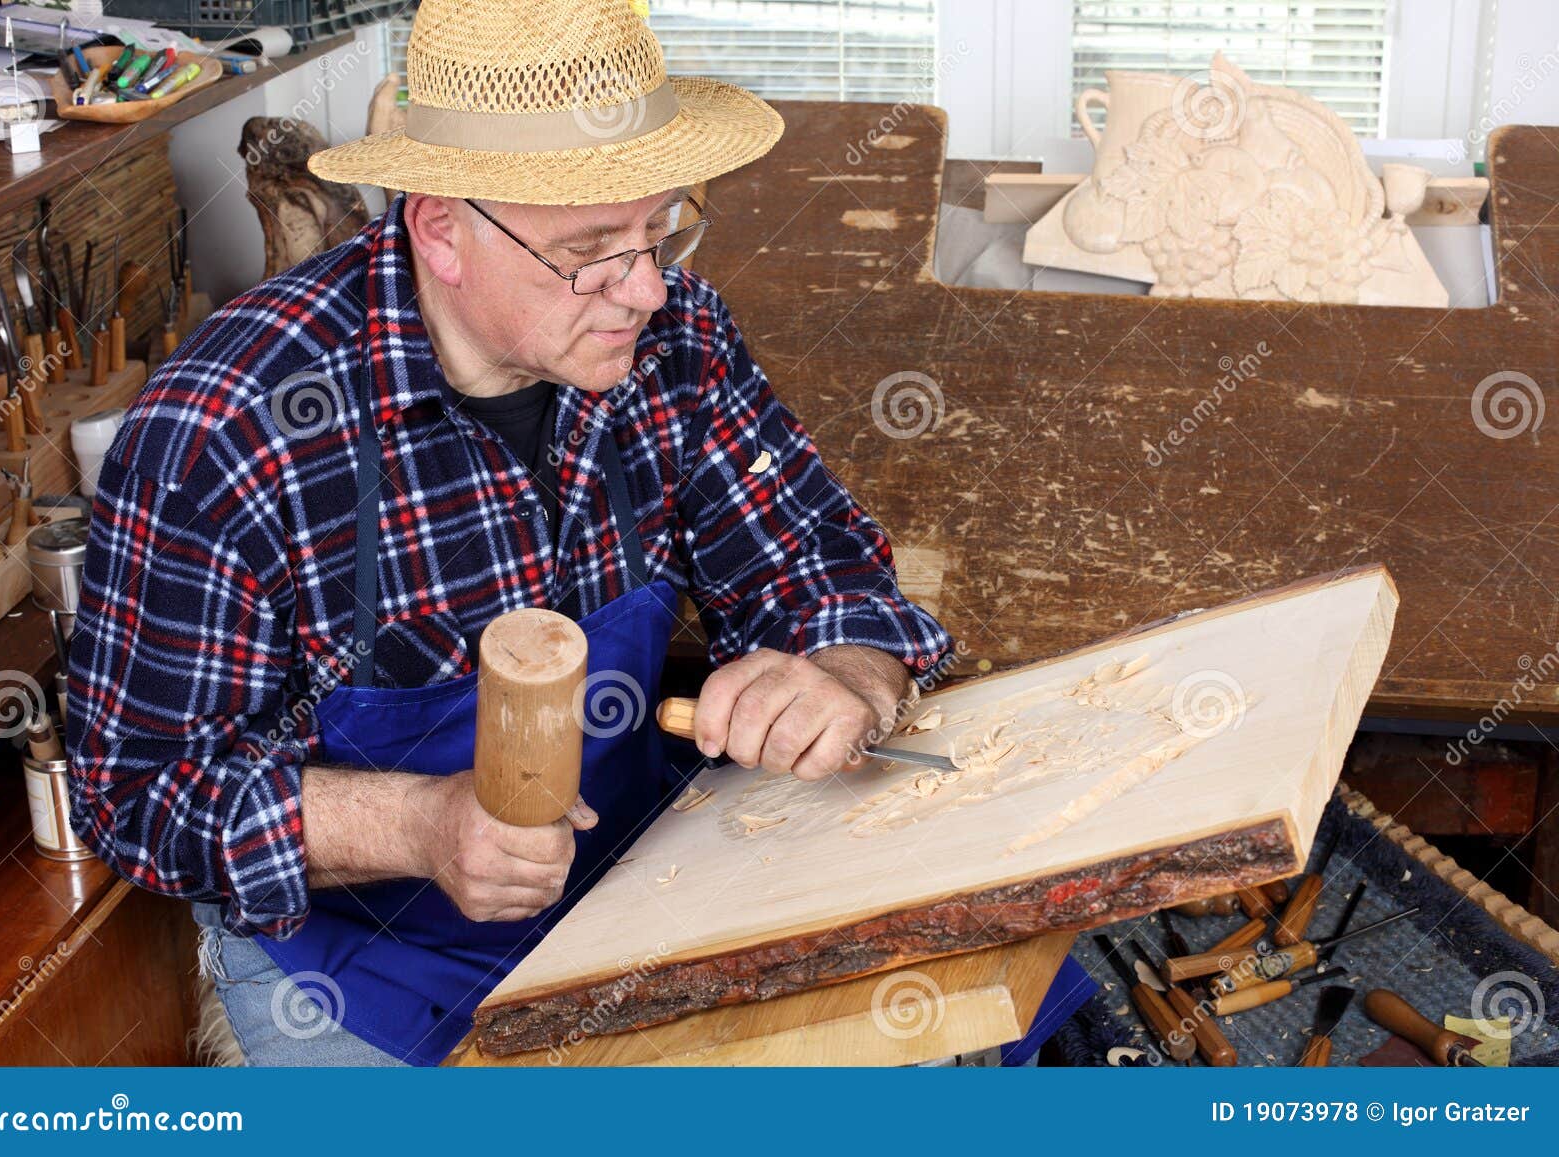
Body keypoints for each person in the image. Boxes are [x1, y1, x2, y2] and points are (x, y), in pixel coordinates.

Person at [67, 0, 952, 1065]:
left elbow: (822, 564)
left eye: (661, 230)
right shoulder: (231, 425)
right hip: (359, 961)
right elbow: (140, 795)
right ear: (442, 227)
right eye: (589, 251)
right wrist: (419, 825)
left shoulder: (679, 338)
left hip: (633, 883)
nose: (643, 289)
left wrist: (844, 676)